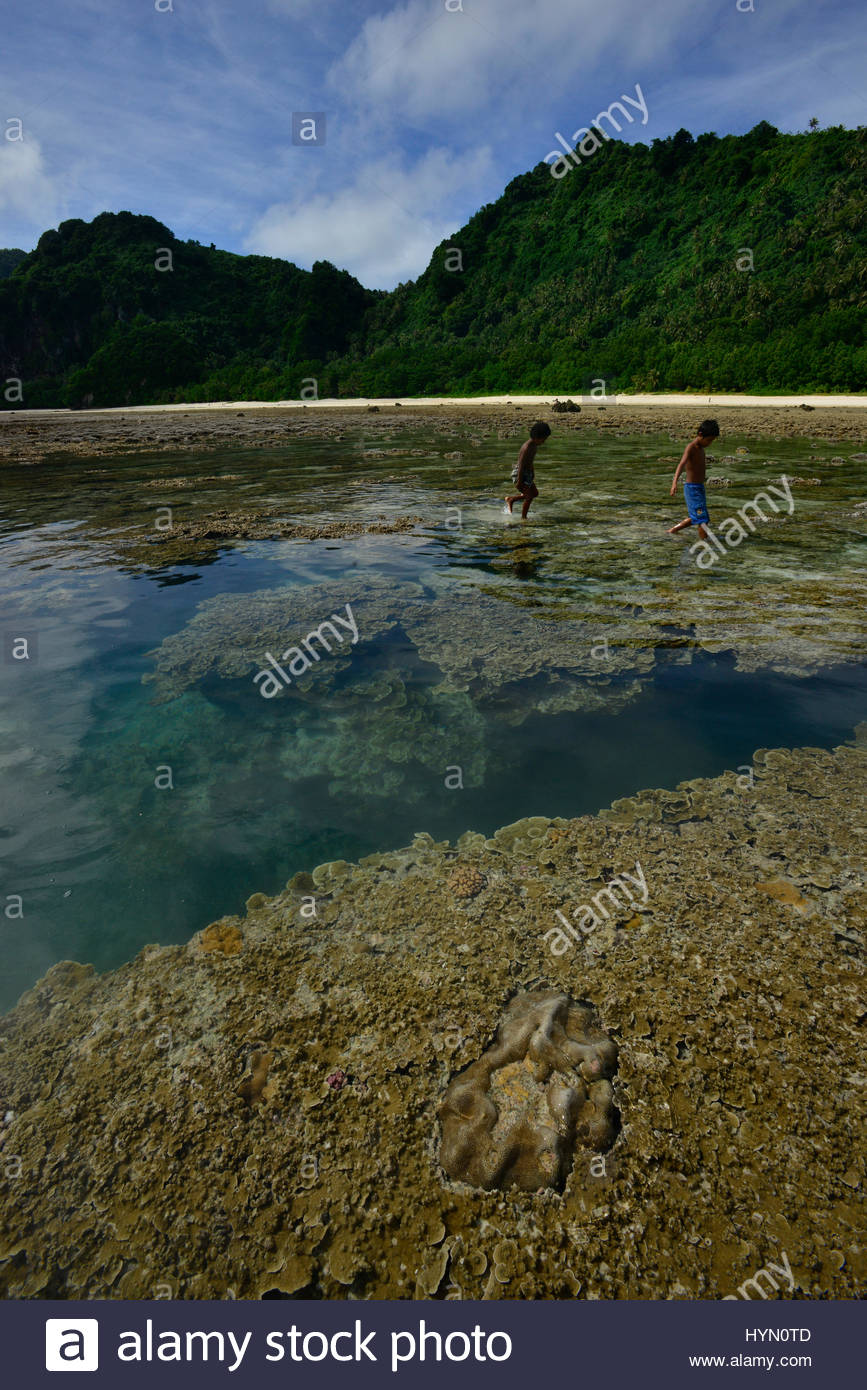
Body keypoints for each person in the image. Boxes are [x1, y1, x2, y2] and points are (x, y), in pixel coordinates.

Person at [667, 419, 720, 540]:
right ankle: (704, 545)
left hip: (699, 488)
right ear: (700, 434)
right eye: (709, 440)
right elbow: (681, 464)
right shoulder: (691, 447)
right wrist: (674, 483)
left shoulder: (701, 449)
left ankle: (672, 530)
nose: (710, 443)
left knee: (698, 516)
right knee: (703, 519)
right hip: (692, 489)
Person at [505, 421, 550, 518]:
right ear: (537, 437)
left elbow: (530, 461)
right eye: (543, 439)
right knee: (529, 496)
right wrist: (520, 481)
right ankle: (523, 518)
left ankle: (511, 499)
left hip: (527, 473)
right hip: (519, 474)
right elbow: (521, 465)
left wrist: (532, 472)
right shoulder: (527, 447)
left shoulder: (534, 446)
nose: (544, 442)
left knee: (535, 493)